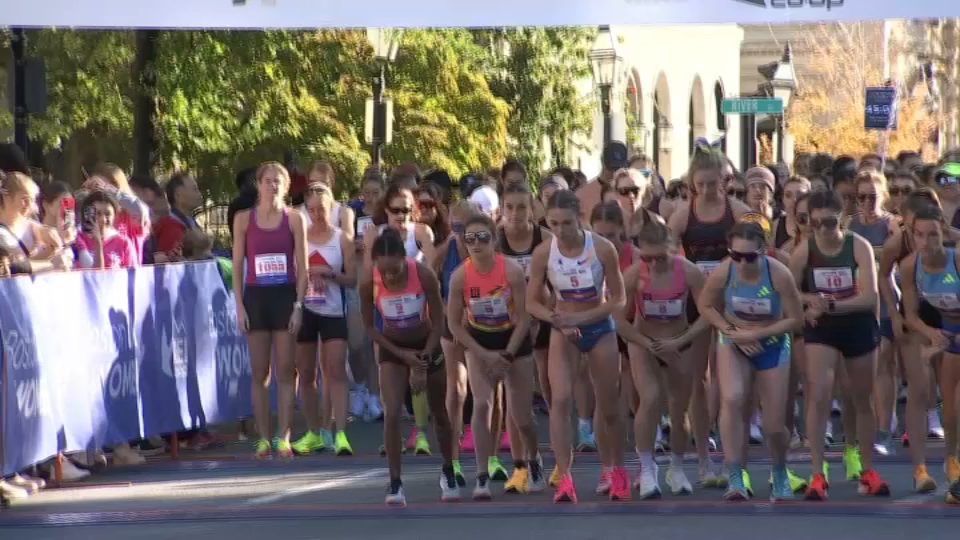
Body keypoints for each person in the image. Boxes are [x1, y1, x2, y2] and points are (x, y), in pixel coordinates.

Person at [527, 189, 627, 503]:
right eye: (553, 223)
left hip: (597, 327)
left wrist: (583, 318)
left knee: (608, 406)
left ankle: (614, 469)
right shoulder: (544, 252)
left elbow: (618, 299)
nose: (560, 230)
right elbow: (531, 302)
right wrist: (555, 319)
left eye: (566, 223)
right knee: (561, 400)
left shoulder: (602, 248)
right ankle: (565, 477)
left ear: (579, 217)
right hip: (564, 330)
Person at [788, 190, 889, 500]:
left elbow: (870, 297)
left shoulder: (857, 247)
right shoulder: (804, 251)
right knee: (818, 394)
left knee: (860, 398)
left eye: (828, 223)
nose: (821, 229)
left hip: (855, 323)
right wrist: (808, 302)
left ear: (841, 219)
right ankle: (818, 472)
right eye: (813, 223)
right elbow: (788, 290)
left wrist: (828, 305)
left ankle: (867, 468)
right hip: (823, 328)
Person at [698, 222, 803, 501]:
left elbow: (796, 318)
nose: (743, 263)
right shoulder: (725, 270)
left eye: (750, 257)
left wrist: (759, 333)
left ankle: (779, 471)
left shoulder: (778, 273)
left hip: (772, 343)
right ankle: (735, 475)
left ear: (763, 250)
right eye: (736, 256)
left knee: (773, 422)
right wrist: (730, 331)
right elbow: (705, 305)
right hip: (734, 341)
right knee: (732, 399)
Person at [668, 144, 751, 487]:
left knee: (732, 384)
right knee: (697, 383)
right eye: (699, 185)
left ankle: (733, 461)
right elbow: (672, 261)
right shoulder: (682, 215)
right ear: (691, 184)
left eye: (712, 184)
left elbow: (757, 256)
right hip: (696, 305)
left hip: (734, 304)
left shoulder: (740, 212)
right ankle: (703, 459)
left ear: (725, 180)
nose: (706, 191)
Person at [358, 228, 457, 506]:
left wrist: (423, 360)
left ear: (406, 259)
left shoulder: (423, 275)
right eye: (384, 270)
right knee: (391, 413)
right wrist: (401, 353)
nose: (390, 276)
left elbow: (439, 322)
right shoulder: (369, 281)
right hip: (393, 347)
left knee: (439, 410)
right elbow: (369, 327)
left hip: (427, 342)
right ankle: (395, 482)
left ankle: (449, 470)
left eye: (395, 270)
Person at [446, 213, 540, 499]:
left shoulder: (510, 270)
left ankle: (534, 460)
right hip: (480, 339)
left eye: (483, 237)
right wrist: (484, 355)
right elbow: (452, 325)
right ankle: (482, 475)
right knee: (483, 404)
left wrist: (508, 355)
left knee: (521, 415)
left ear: (494, 240)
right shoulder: (460, 276)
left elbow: (525, 319)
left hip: (513, 339)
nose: (476, 244)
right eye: (470, 238)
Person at [615, 217, 707, 498]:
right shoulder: (633, 275)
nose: (654, 264)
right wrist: (647, 343)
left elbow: (708, 314)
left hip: (679, 343)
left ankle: (676, 467)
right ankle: (646, 468)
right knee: (651, 398)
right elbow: (618, 319)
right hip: (646, 343)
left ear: (673, 248)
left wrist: (681, 341)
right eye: (647, 257)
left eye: (660, 257)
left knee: (679, 410)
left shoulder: (689, 271)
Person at [231, 162, 308, 459]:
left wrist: (299, 305)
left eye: (278, 181)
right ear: (258, 184)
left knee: (287, 370)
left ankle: (284, 435)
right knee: (260, 372)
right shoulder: (242, 220)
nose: (272, 185)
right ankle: (263, 438)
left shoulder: (294, 219)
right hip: (256, 297)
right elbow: (238, 264)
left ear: (286, 186)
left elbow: (303, 266)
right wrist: (239, 306)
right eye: (267, 181)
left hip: (285, 296)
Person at [899, 205, 960, 503]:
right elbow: (910, 314)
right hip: (941, 329)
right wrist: (930, 334)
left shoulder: (957, 260)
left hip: (955, 332)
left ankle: (953, 463)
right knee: (945, 404)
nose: (926, 242)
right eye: (919, 235)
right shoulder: (910, 265)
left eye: (932, 235)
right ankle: (936, 468)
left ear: (943, 234)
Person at [291, 184, 357, 456]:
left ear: (332, 210)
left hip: (332, 311)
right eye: (313, 209)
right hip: (305, 308)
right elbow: (291, 274)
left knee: (335, 370)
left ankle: (340, 433)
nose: (318, 214)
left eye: (323, 209)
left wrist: (330, 273)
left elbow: (352, 278)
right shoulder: (300, 237)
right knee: (306, 374)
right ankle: (314, 432)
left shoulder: (342, 238)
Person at [497, 182, 554, 492]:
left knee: (549, 389)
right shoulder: (495, 241)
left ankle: (559, 460)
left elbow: (556, 289)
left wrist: (541, 310)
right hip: (510, 324)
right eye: (510, 207)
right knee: (514, 400)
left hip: (544, 319)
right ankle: (521, 464)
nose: (516, 214)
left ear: (533, 209)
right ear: (502, 210)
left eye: (522, 207)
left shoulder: (544, 239)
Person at [847, 171, 900, 456]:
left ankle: (884, 429)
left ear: (883, 196)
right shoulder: (847, 225)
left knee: (884, 364)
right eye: (862, 196)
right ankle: (859, 431)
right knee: (857, 370)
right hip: (856, 301)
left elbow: (898, 256)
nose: (867, 202)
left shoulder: (892, 225)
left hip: (886, 298)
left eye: (873, 196)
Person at [75, 191, 138, 269]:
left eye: (108, 214)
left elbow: (132, 276)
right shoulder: (77, 238)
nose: (103, 219)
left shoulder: (124, 243)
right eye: (98, 213)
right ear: (87, 214)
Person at [153, 172, 204, 262]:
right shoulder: (170, 227)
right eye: (194, 189)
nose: (199, 194)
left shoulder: (190, 222)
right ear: (177, 195)